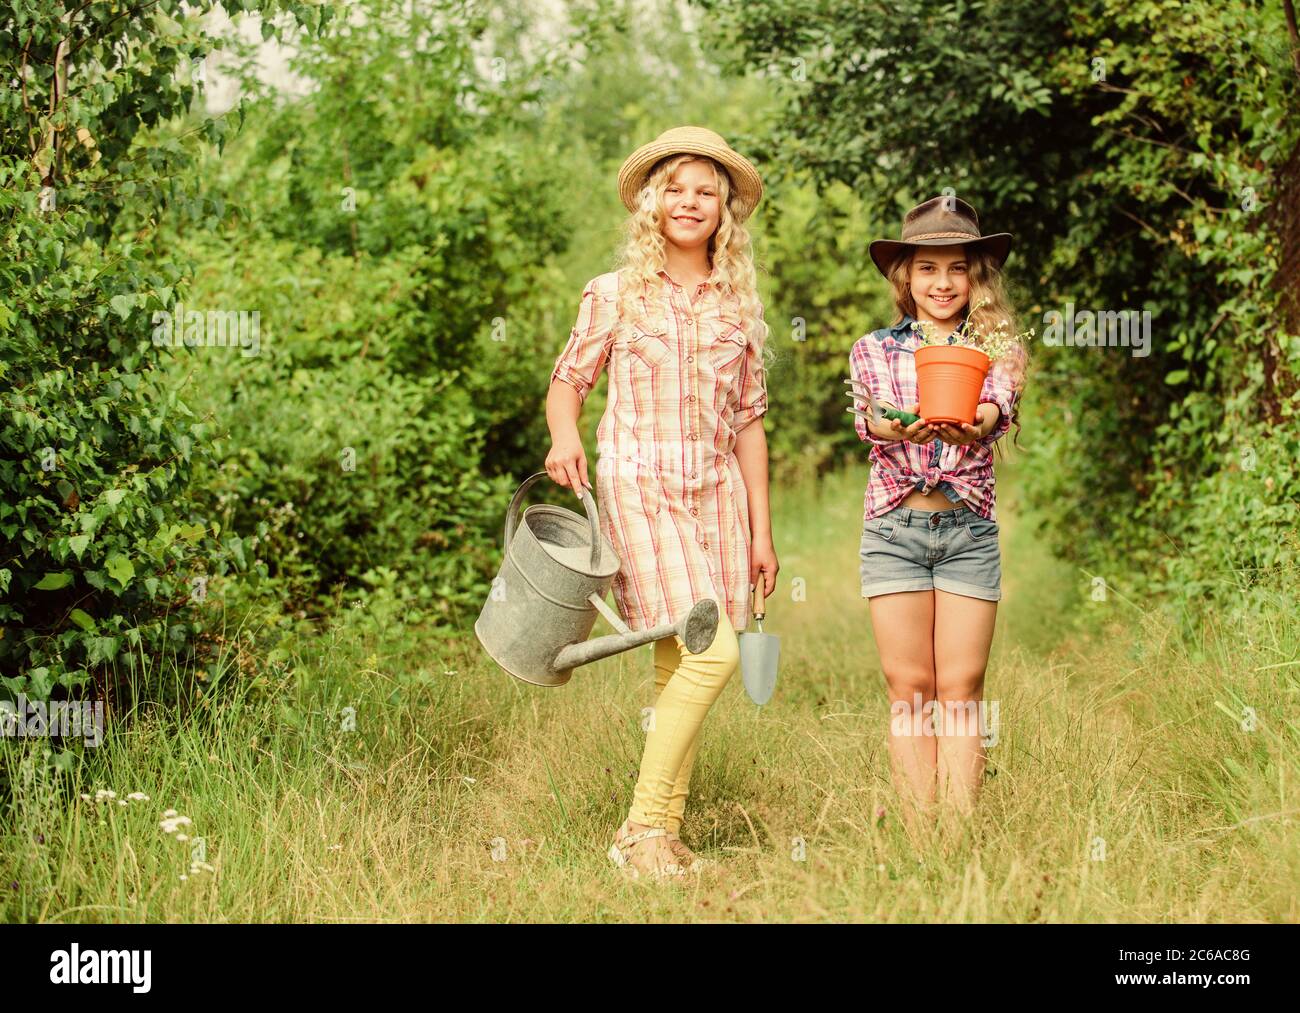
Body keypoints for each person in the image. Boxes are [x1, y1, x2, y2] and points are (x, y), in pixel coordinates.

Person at [544, 126, 778, 879]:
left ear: (724, 212)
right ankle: (639, 827)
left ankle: (664, 838)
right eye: (675, 188)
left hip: (716, 491)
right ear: (653, 202)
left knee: (681, 656)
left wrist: (762, 533)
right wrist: (563, 436)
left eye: (705, 191)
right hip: (639, 481)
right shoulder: (613, 294)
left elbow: (748, 423)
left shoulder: (739, 307)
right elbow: (568, 381)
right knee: (717, 652)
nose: (689, 201)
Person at [850, 195, 1027, 834]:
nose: (942, 283)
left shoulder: (996, 346)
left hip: (967, 530)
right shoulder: (872, 349)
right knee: (909, 686)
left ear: (975, 277)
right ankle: (920, 831)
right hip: (894, 528)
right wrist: (904, 427)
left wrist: (970, 425)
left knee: (963, 683)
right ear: (906, 278)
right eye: (927, 269)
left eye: (957, 269)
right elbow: (870, 420)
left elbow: (994, 407)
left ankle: (958, 831)